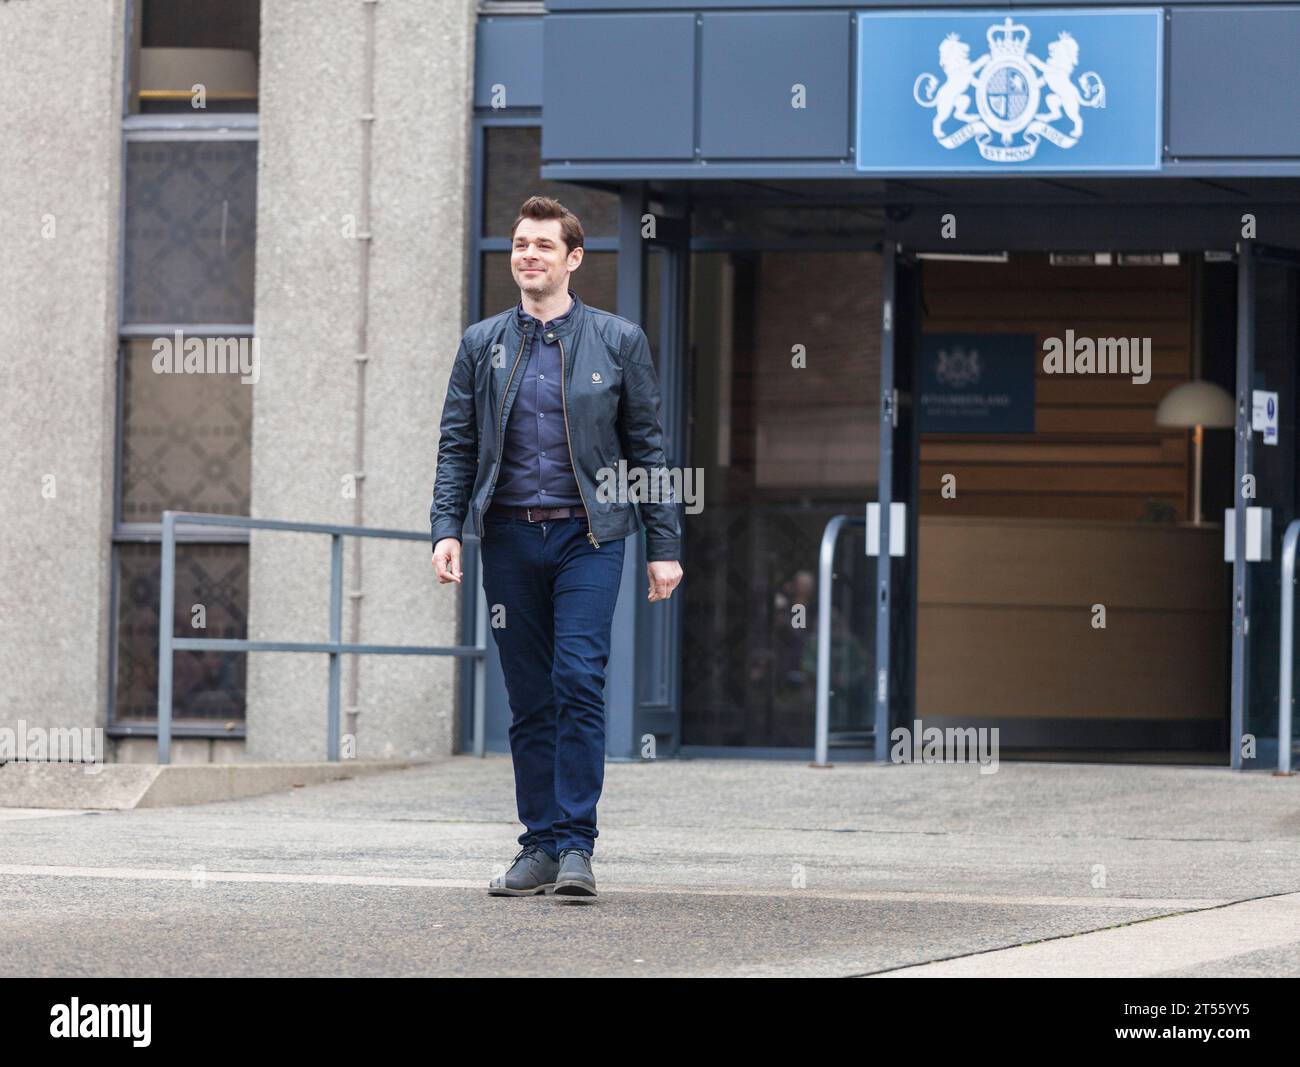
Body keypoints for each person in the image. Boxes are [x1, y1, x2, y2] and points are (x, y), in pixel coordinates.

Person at [429, 195, 684, 898]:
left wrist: (664, 544)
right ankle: (538, 844)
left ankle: (576, 843)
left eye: (544, 245)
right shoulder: (482, 344)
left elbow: (649, 450)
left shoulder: (617, 340)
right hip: (508, 536)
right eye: (520, 244)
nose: (528, 254)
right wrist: (446, 528)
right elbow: (457, 446)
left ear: (573, 258)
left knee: (577, 677)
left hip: (589, 536)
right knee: (529, 695)